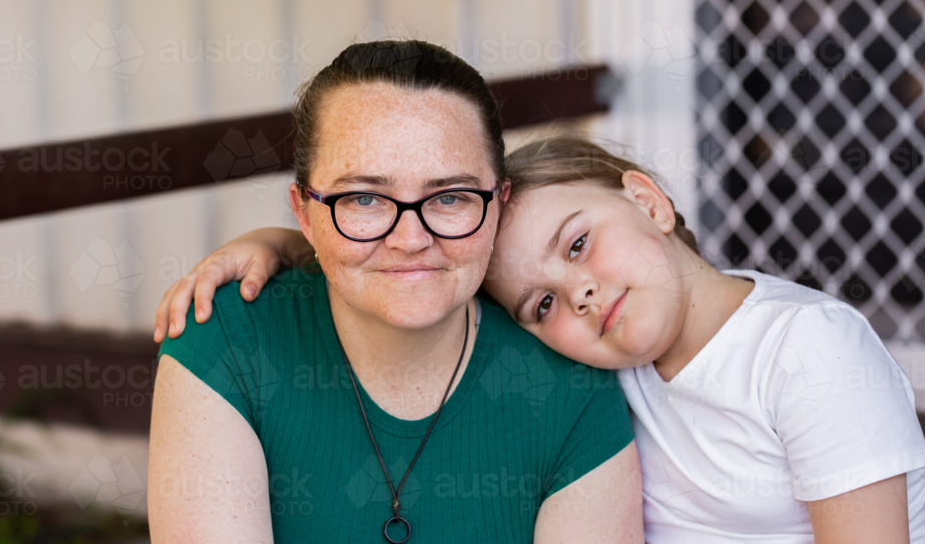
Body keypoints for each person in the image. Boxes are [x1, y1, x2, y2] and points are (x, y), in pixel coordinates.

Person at [157, 135, 925, 544]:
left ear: (647, 200)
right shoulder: (611, 362)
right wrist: (280, 244)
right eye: (540, 305)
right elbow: (417, 265)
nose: (580, 294)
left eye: (577, 244)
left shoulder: (807, 348)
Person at [147, 42, 643, 544]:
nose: (411, 240)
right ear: (304, 214)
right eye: (363, 198)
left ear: (499, 203)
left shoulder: (568, 387)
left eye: (450, 197)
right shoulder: (228, 343)